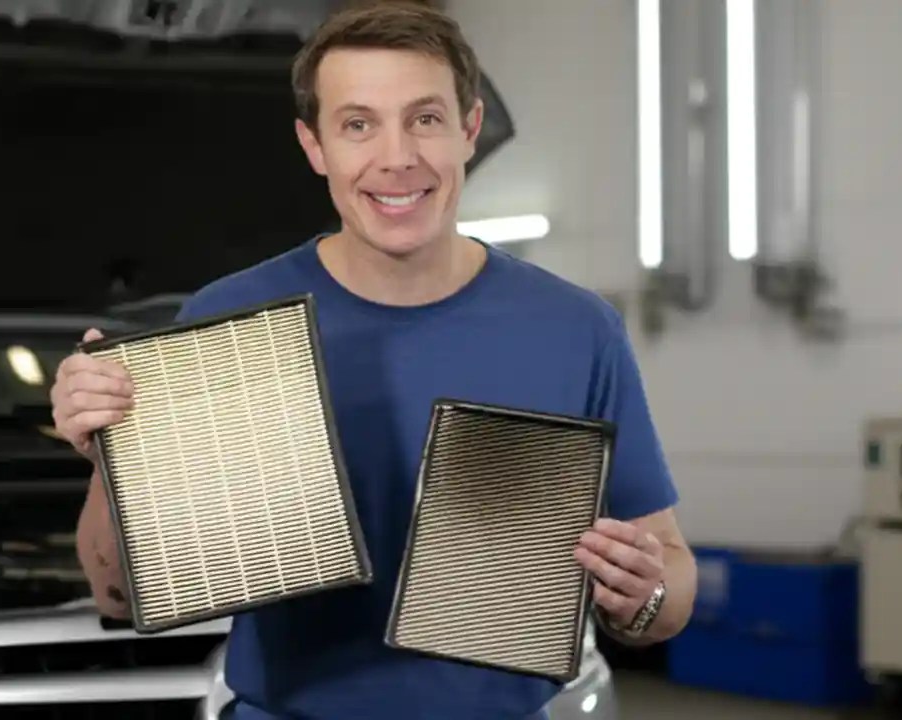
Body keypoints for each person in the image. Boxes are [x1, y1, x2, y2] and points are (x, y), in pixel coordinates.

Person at [51, 2, 697, 718]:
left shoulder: (575, 330)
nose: (397, 157)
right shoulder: (225, 324)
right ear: (315, 145)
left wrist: (646, 594)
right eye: (359, 124)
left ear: (469, 131)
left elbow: (667, 581)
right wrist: (112, 452)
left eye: (425, 118)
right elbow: (113, 590)